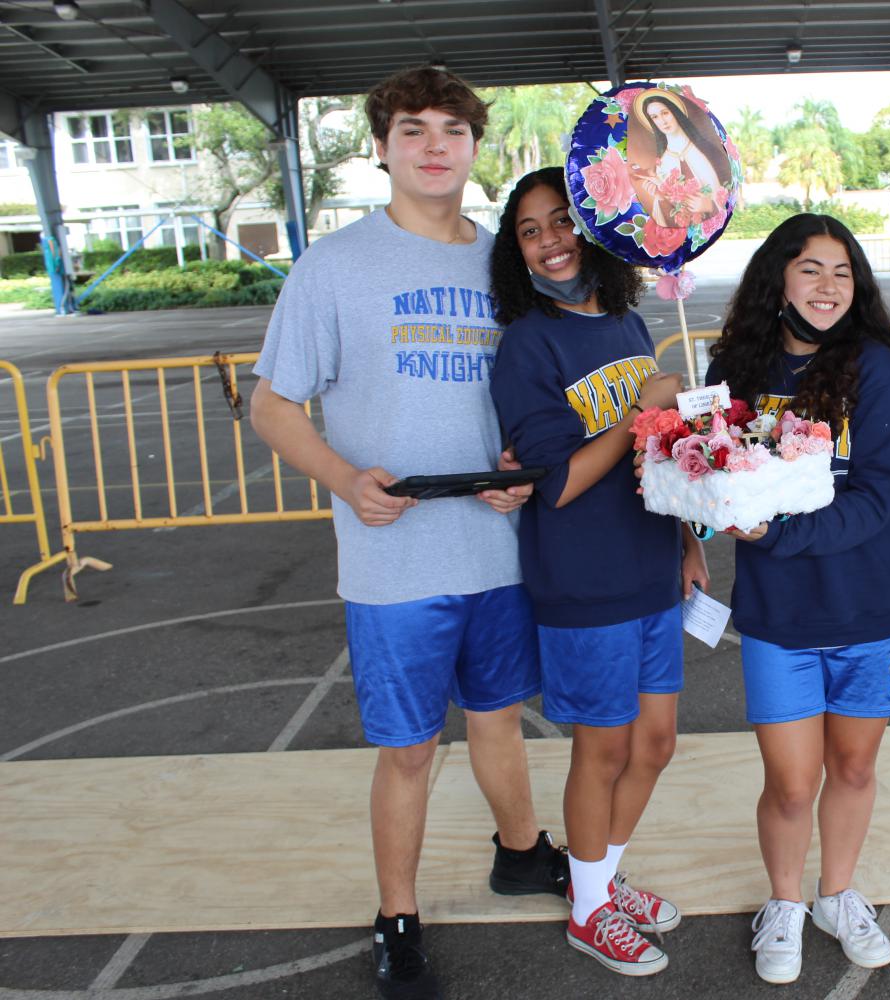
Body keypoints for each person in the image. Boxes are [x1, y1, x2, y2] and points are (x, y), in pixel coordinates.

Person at [249, 67, 568, 1000]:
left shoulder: (508, 266)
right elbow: (272, 407)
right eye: (413, 128)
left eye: (453, 130)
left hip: (496, 544)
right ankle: (397, 913)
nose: (435, 145)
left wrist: (523, 462)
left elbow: (538, 393)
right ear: (381, 146)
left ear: (475, 146)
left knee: (501, 719)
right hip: (395, 556)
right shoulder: (337, 265)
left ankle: (521, 853)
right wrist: (348, 480)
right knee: (410, 748)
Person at [489, 166, 708, 978]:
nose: (550, 242)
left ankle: (602, 880)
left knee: (656, 743)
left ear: (596, 227)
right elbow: (563, 480)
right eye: (530, 230)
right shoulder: (526, 344)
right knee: (604, 751)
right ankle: (589, 912)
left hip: (652, 562)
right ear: (517, 251)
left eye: (562, 222)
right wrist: (640, 410)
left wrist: (688, 538)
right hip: (584, 579)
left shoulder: (627, 323)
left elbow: (658, 456)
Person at [704, 214, 890, 984]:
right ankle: (786, 903)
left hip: (865, 610)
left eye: (842, 272)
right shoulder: (736, 367)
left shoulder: (877, 371)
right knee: (792, 781)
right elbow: (710, 473)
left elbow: (878, 498)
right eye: (809, 270)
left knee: (853, 769)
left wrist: (773, 534)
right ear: (777, 278)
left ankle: (837, 894)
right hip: (778, 615)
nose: (827, 287)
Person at [627, 89, 730, 227]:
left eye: (665, 113)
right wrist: (661, 197)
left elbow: (725, 194)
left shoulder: (707, 150)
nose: (662, 121)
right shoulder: (662, 164)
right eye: (655, 117)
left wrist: (710, 205)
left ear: (675, 112)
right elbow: (667, 220)